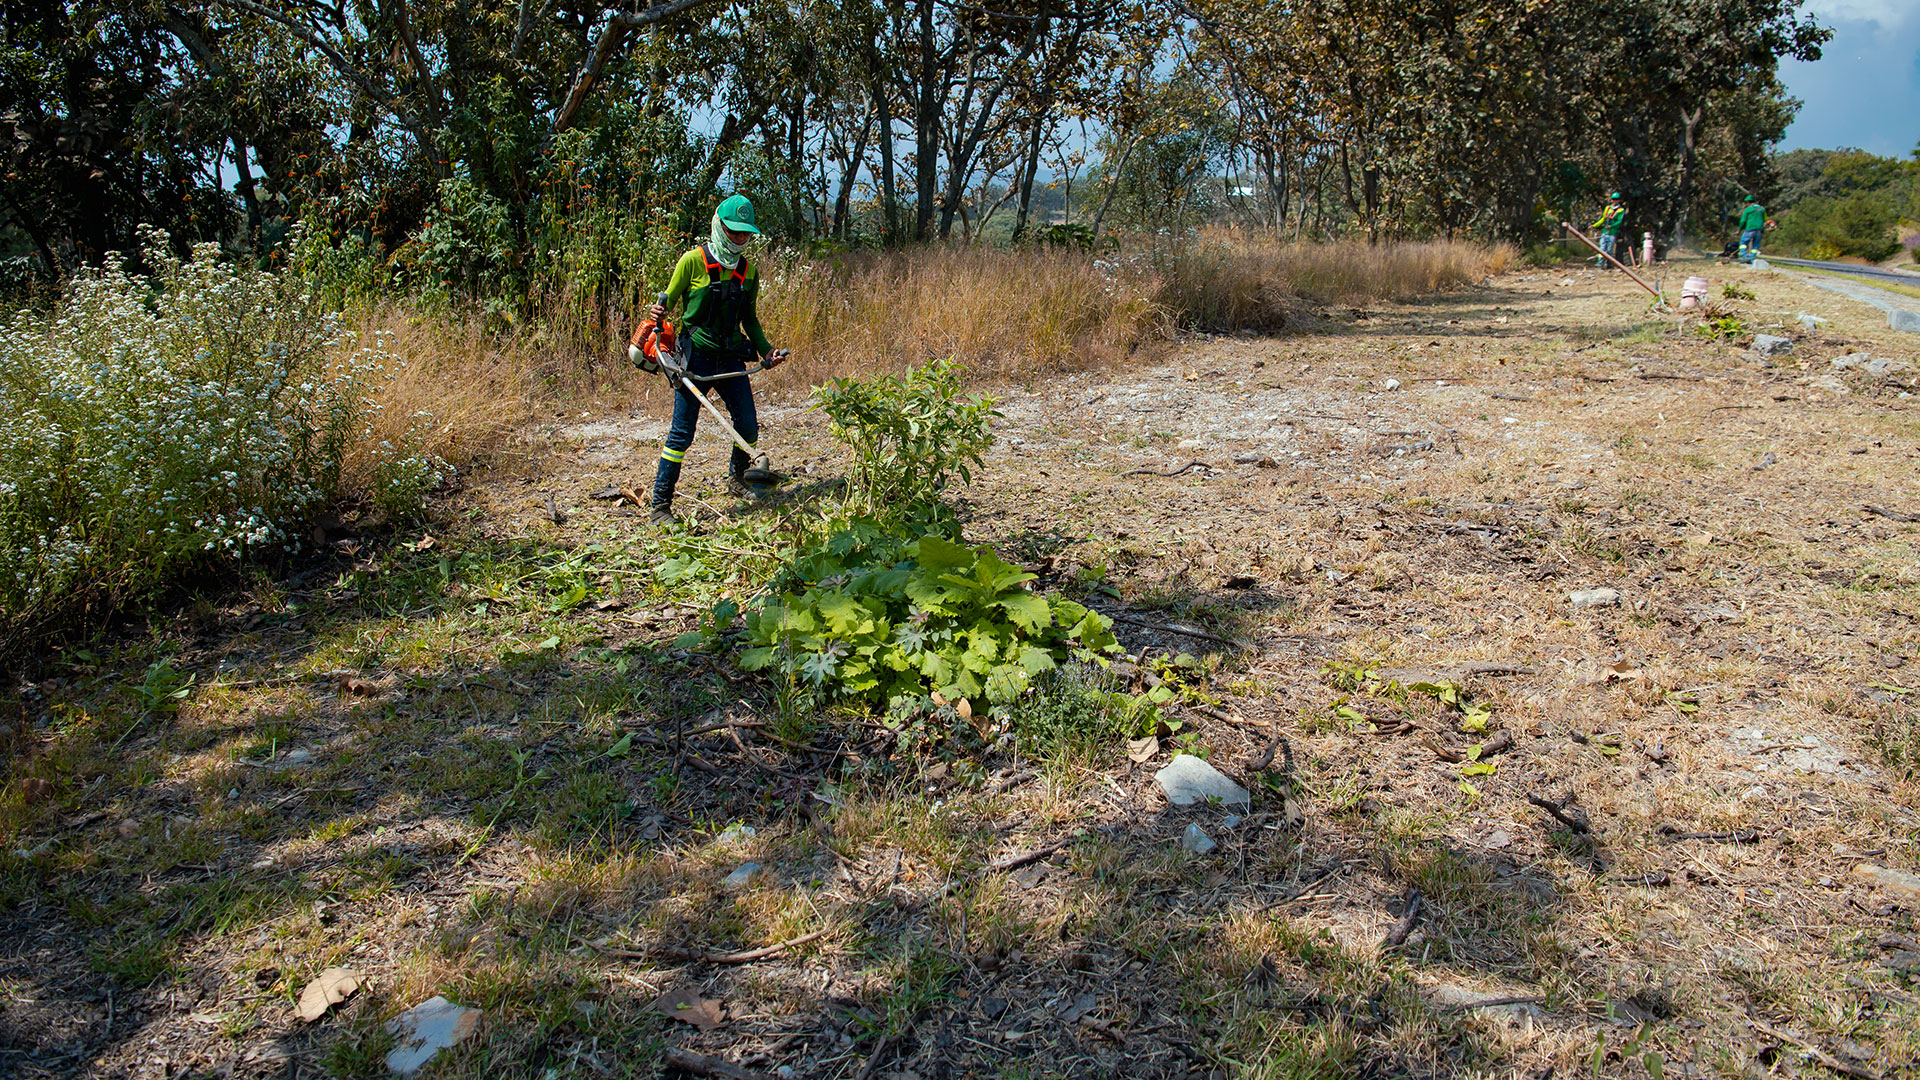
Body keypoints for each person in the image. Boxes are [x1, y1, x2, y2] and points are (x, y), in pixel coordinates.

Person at [645, 194, 790, 525]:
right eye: (733, 231)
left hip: (731, 358)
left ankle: (738, 479)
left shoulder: (748, 273)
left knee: (749, 426)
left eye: (745, 234)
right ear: (719, 225)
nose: (739, 239)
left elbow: (749, 320)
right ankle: (660, 506)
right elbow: (665, 305)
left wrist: (766, 350)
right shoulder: (692, 261)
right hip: (695, 360)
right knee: (682, 433)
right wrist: (658, 313)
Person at [1590, 192, 1626, 269]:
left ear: (1619, 200)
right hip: (1604, 232)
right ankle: (1600, 264)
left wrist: (1611, 226)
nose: (1614, 201)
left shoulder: (1621, 210)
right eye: (1613, 199)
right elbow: (1603, 219)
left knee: (1609, 250)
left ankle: (1609, 265)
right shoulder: (1607, 208)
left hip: (1612, 233)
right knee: (1602, 249)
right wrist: (1594, 225)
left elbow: (1619, 221)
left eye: (1616, 199)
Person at [1737, 194, 1770, 263]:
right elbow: (1766, 219)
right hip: (1759, 230)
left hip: (1750, 229)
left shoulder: (1748, 209)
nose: (1746, 204)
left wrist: (1739, 230)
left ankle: (1744, 257)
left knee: (1743, 243)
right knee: (1756, 245)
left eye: (1746, 203)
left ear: (1748, 202)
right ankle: (1752, 259)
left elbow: (1743, 221)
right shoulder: (1761, 209)